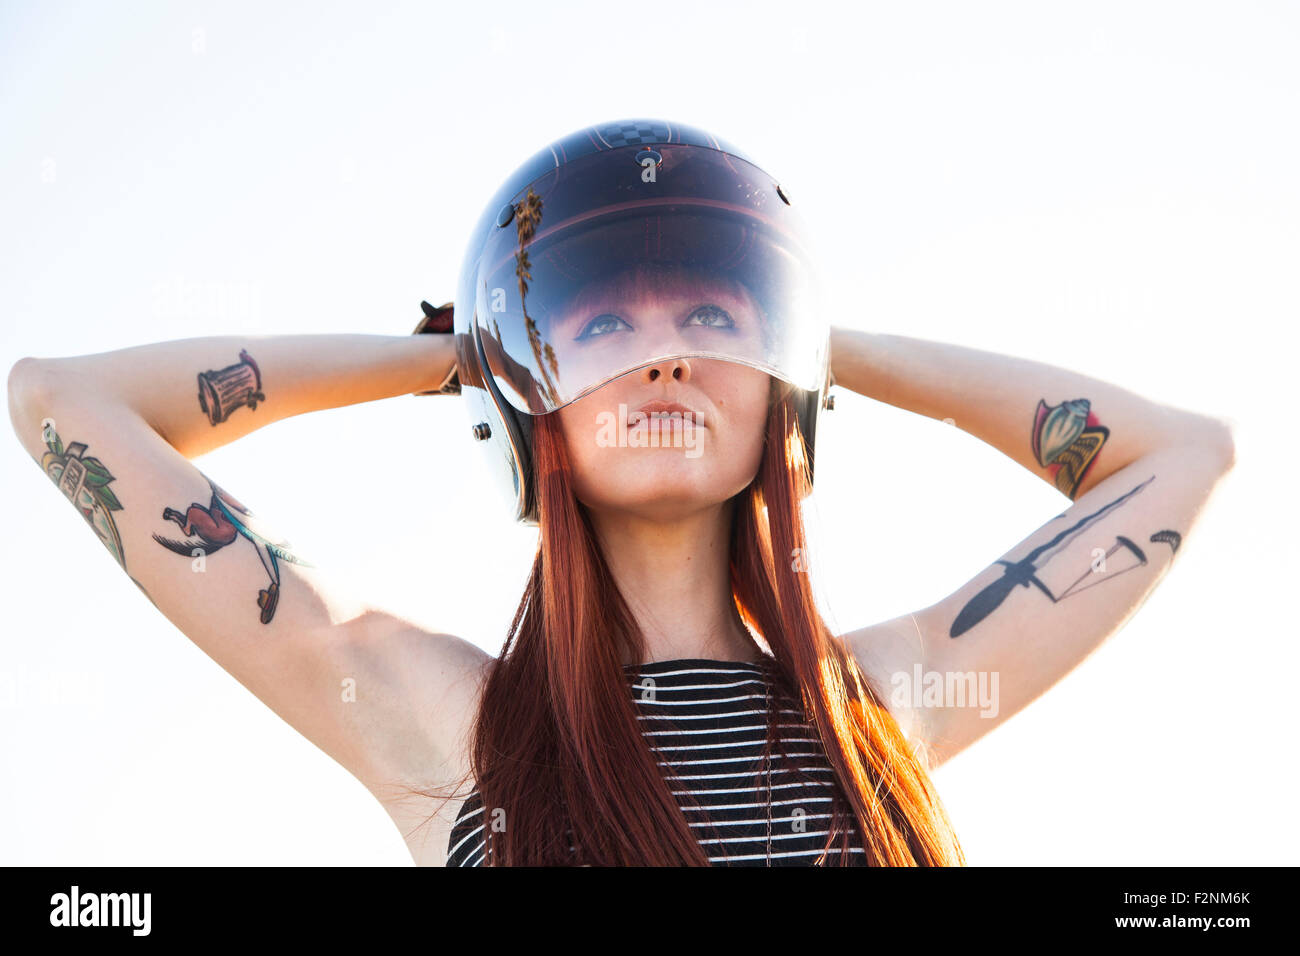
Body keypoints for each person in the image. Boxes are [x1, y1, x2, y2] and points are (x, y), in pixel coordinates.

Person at [6, 118, 1235, 866]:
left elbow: (1180, 455)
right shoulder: (449, 722)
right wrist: (460, 355)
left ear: (778, 382)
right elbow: (60, 402)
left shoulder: (879, 705)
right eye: (593, 321)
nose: (659, 355)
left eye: (709, 309)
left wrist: (818, 344)